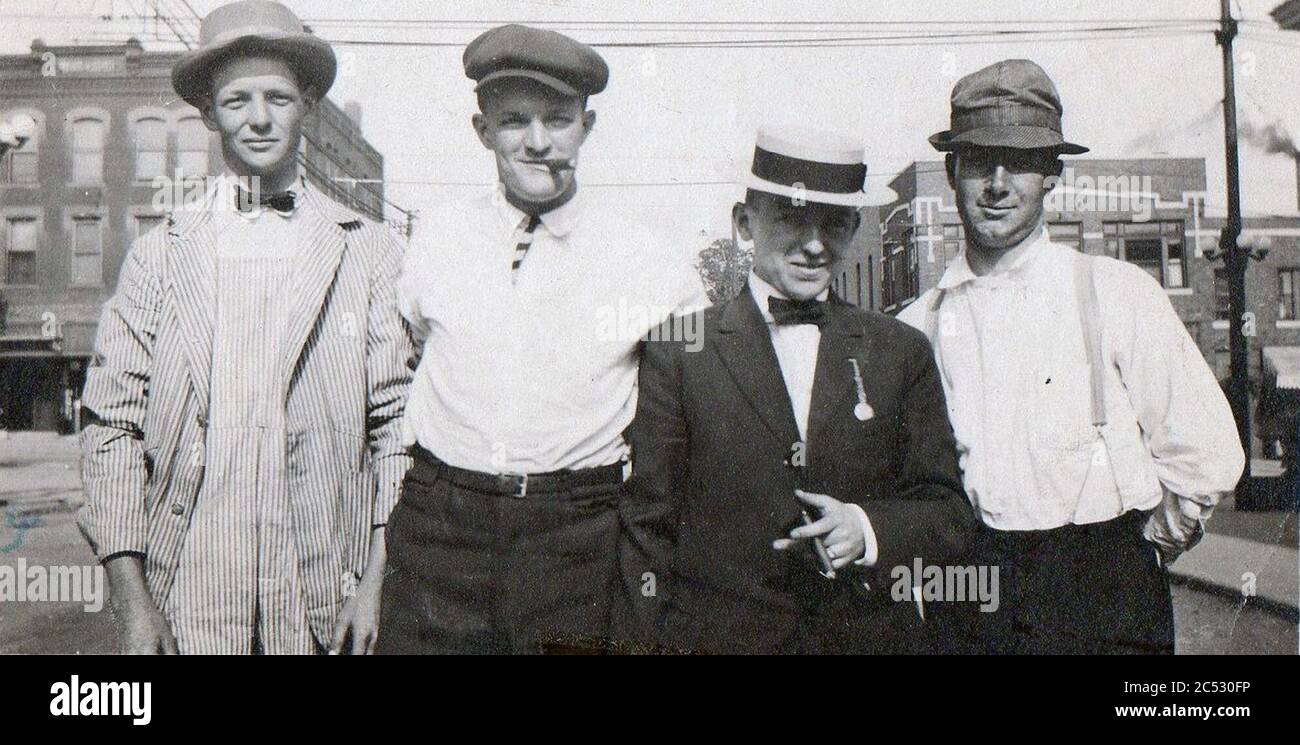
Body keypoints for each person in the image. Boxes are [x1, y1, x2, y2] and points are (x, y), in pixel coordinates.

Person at [79, 0, 412, 654]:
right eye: (236, 101)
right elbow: (110, 427)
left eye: (278, 98)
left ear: (308, 103)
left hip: (321, 604)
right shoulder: (159, 255)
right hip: (191, 605)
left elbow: (396, 426)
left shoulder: (367, 251)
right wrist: (132, 597)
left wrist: (376, 579)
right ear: (207, 113)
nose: (259, 119)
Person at [378, 24, 708, 654]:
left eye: (558, 119)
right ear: (483, 132)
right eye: (514, 120)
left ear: (587, 126)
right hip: (440, 528)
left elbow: (688, 407)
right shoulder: (436, 239)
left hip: (576, 535)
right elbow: (415, 346)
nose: (537, 142)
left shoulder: (648, 260)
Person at [898, 59, 1245, 654]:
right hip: (972, 592)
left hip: (1103, 592)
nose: (999, 183)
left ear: (1052, 174)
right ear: (953, 171)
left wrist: (1141, 550)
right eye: (980, 161)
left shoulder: (1115, 292)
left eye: (1022, 162)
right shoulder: (917, 326)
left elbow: (1207, 452)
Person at [617, 128, 975, 653]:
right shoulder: (678, 352)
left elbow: (946, 511)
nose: (814, 244)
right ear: (744, 223)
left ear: (854, 227)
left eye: (833, 222)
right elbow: (648, 529)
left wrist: (867, 527)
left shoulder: (900, 351)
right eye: (790, 216)